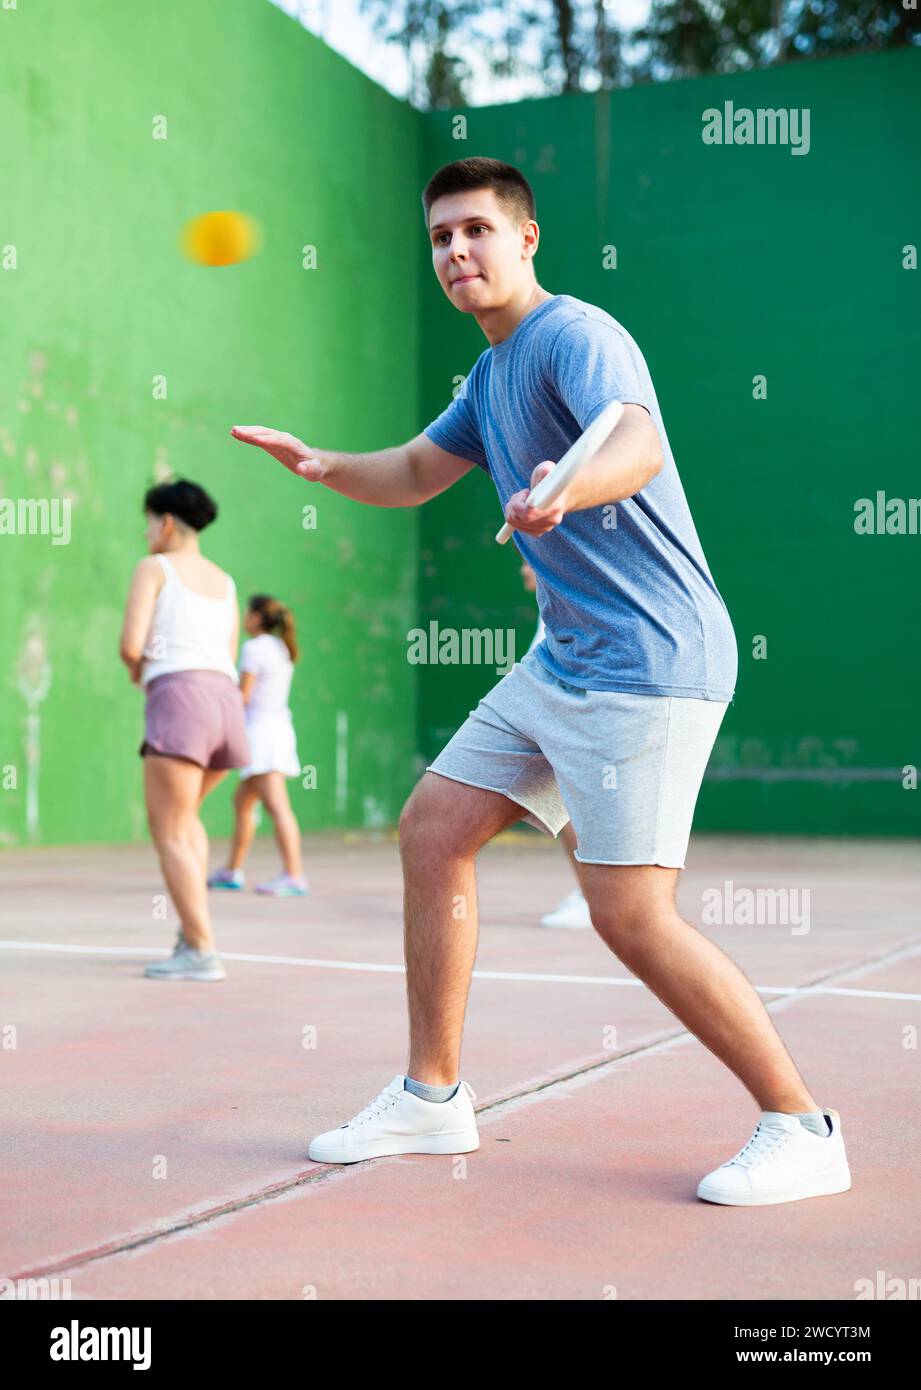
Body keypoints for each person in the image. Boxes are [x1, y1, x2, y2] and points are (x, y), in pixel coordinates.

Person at [231, 157, 850, 1206]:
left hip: (650, 662)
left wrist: (570, 486)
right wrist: (326, 466)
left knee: (632, 916)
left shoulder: (575, 334)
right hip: (563, 659)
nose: (456, 252)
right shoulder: (486, 379)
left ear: (526, 239)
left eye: (476, 229)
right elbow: (420, 471)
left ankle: (803, 1124)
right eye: (440, 238)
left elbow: (634, 440)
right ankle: (433, 1098)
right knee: (433, 828)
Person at [119, 478, 249, 983]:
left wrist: (142, 674)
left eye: (149, 521)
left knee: (168, 830)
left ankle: (200, 948)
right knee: (186, 820)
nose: (147, 531)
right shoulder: (226, 580)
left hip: (180, 699)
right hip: (224, 703)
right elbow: (229, 651)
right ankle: (191, 936)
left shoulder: (153, 568)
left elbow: (131, 644)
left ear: (166, 522)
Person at [207, 594, 308, 896]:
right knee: (243, 802)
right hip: (275, 731)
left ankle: (294, 875)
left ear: (256, 618)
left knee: (277, 806)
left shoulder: (254, 648)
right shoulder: (280, 648)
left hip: (262, 735)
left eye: (248, 614)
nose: (244, 618)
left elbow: (244, 696)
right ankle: (231, 871)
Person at [519, 558, 591, 929]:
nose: (523, 571)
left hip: (567, 718)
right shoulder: (550, 609)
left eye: (527, 564)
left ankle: (592, 898)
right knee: (567, 813)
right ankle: (592, 895)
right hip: (560, 716)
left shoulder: (562, 610)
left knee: (570, 814)